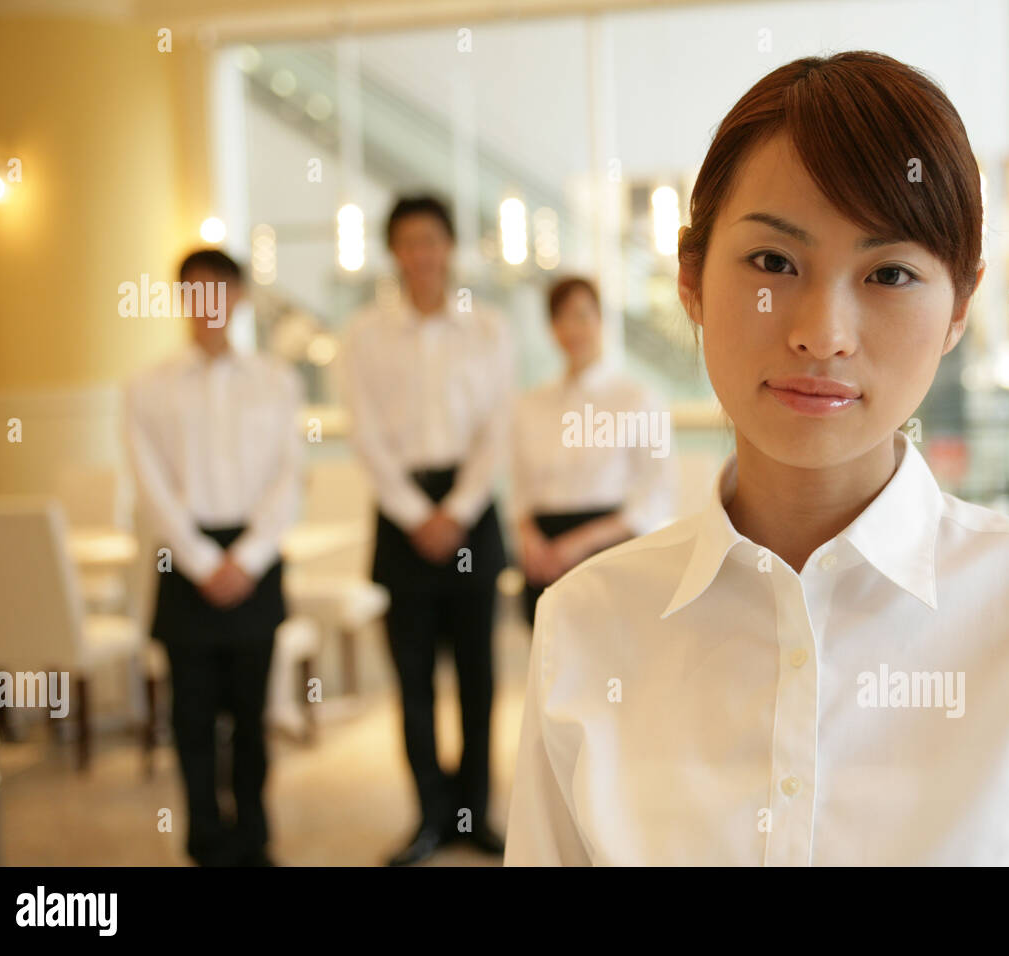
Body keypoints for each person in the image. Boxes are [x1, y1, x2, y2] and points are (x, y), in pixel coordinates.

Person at [504, 52, 1009, 866]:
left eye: (889, 272)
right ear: (691, 277)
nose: (822, 333)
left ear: (961, 306)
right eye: (773, 263)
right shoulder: (585, 623)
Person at [341, 195, 513, 865]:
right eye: (409, 242)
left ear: (449, 248)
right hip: (401, 514)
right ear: (394, 252)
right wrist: (418, 515)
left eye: (433, 240)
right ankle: (428, 819)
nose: (422, 254)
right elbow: (365, 434)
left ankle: (475, 813)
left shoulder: (489, 328)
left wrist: (459, 511)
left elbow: (498, 426)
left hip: (471, 509)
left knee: (478, 679)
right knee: (412, 684)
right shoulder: (364, 334)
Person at [126, 248, 304, 867]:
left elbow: (289, 478)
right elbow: (149, 488)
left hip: (257, 560)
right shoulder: (147, 388)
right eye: (195, 292)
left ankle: (253, 836)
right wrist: (203, 563)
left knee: (252, 717)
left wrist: (249, 558)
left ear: (240, 297)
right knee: (193, 717)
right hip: (184, 563)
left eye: (220, 290)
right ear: (181, 300)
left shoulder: (276, 381)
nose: (209, 305)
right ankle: (204, 840)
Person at [511, 277, 678, 628]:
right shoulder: (532, 403)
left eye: (582, 315)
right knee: (548, 669)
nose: (573, 328)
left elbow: (658, 492)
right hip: (544, 554)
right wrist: (529, 540)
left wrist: (579, 544)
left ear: (601, 320)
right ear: (551, 328)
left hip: (608, 549)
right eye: (561, 318)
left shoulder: (637, 398)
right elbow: (520, 489)